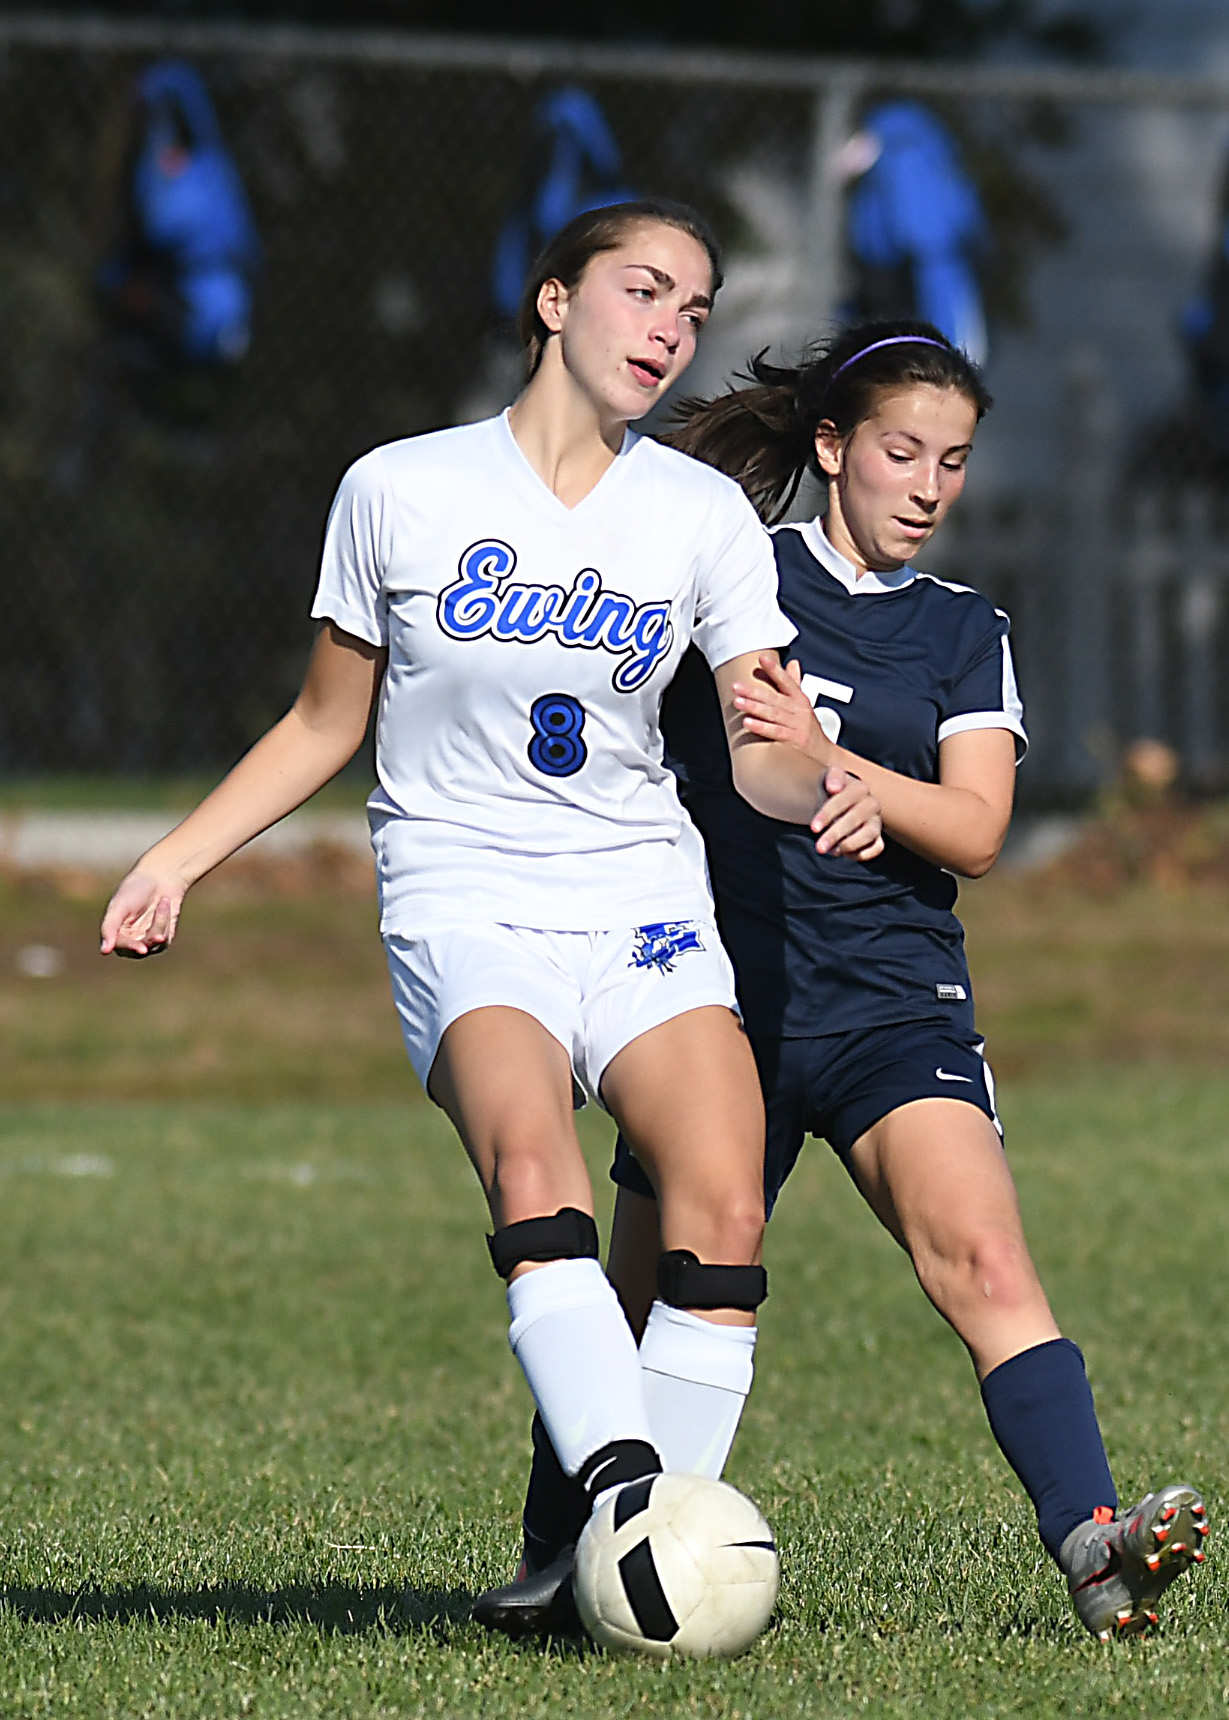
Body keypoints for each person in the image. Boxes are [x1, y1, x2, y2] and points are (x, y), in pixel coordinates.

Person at [99, 201, 885, 1590]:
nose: (670, 328)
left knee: (724, 1207)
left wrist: (826, 781)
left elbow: (764, 751)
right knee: (537, 1171)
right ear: (551, 301)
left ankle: (648, 1570)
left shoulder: (698, 515)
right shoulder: (400, 488)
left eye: (694, 311)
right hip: (463, 891)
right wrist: (173, 860)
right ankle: (626, 1514)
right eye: (643, 291)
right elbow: (321, 726)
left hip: (639, 892)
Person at [475, 319, 1209, 1643]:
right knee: (642, 1293)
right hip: (711, 1002)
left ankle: (1093, 1548)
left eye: (954, 461)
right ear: (830, 449)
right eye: (900, 453)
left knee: (983, 1256)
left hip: (889, 1003)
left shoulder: (958, 632)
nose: (928, 485)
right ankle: (555, 1559)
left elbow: (976, 828)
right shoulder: (729, 573)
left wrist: (852, 776)